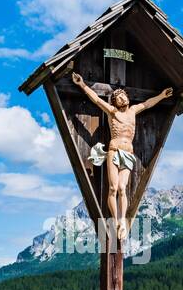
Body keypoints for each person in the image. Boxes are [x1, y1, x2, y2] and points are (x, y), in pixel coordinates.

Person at [71, 72, 174, 240]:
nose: (122, 99)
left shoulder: (133, 110)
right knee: (113, 187)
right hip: (114, 150)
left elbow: (148, 104)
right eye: (118, 97)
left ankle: (122, 221)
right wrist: (82, 85)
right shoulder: (112, 111)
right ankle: (116, 218)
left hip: (128, 152)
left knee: (122, 188)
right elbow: (96, 100)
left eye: (123, 96)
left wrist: (162, 96)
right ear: (115, 102)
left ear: (127, 98)